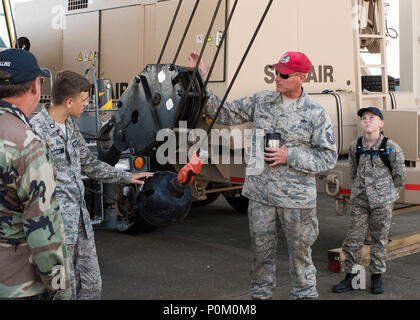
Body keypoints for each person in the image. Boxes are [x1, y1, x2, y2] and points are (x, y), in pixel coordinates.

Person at [189, 51, 338, 299]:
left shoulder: (315, 113)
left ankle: (304, 295)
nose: (276, 77)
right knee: (260, 254)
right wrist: (200, 80)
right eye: (275, 72)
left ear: (301, 78)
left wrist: (288, 155)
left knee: (301, 256)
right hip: (260, 196)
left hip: (296, 201)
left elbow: (327, 157)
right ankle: (260, 296)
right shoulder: (262, 100)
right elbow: (222, 113)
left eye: (283, 74)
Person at [30, 70, 154, 300]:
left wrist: (127, 177)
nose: (87, 104)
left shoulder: (70, 127)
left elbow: (89, 164)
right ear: (69, 102)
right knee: (59, 293)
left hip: (79, 225)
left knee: (91, 288)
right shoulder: (35, 132)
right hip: (53, 231)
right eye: (84, 99)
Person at [0, 49, 71, 300]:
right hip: (17, 286)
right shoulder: (27, 143)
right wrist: (60, 289)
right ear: (34, 86)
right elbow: (43, 232)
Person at [332, 107, 406, 294]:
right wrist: (360, 192)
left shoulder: (391, 147)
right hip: (360, 201)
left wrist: (388, 195)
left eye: (372, 118)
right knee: (353, 240)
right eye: (364, 118)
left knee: (379, 240)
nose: (367, 121)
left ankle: (376, 278)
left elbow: (400, 176)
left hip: (382, 202)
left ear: (381, 123)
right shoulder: (355, 146)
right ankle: (353, 279)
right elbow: (354, 171)